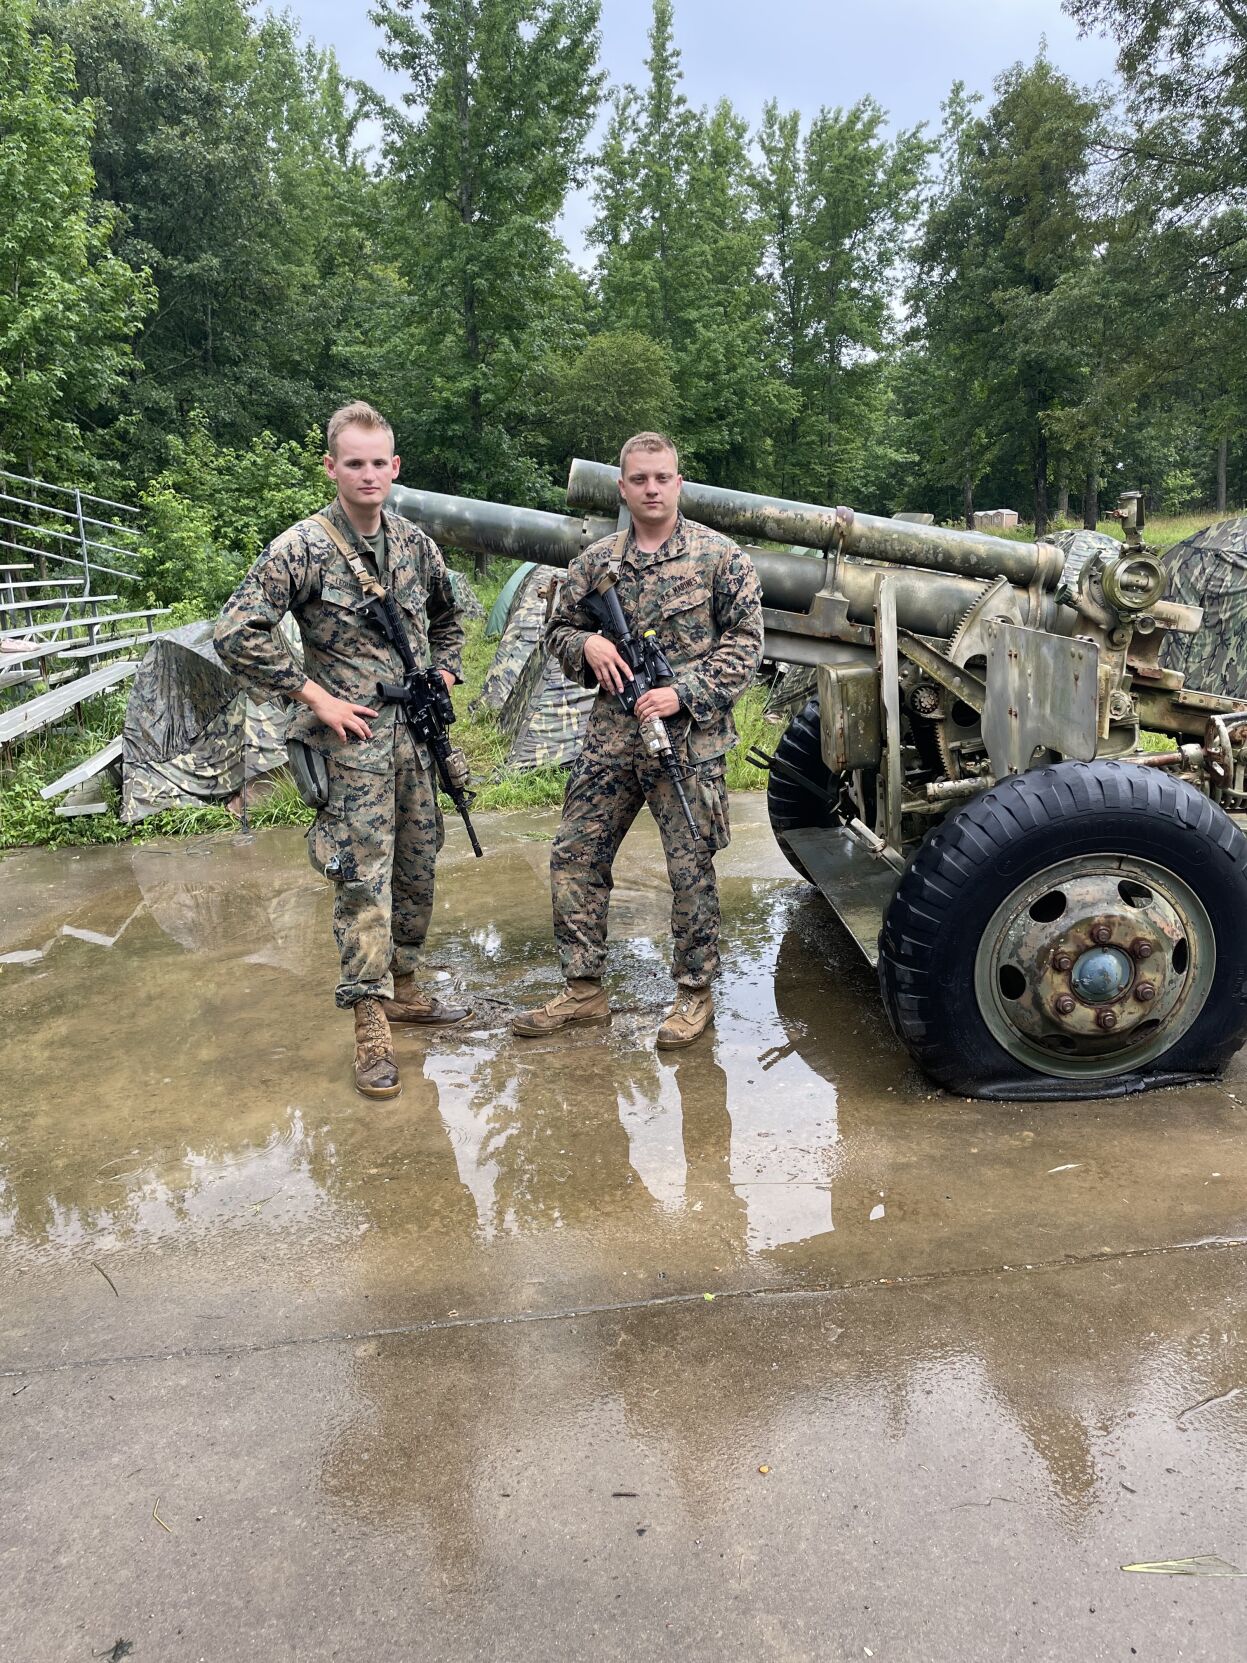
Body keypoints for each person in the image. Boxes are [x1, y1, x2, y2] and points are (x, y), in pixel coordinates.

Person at [215, 400, 471, 1100]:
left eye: (377, 461)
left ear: (395, 466)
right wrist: (312, 694)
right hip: (351, 743)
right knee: (362, 880)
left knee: (419, 865)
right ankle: (370, 1024)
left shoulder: (416, 544)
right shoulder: (303, 546)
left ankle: (406, 985)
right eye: (352, 462)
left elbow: (451, 615)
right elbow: (236, 629)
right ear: (331, 467)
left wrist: (444, 671)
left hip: (415, 737)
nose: (367, 474)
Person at [512, 431, 763, 1049]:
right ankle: (583, 990)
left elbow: (746, 645)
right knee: (575, 856)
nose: (652, 489)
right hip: (612, 739)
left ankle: (694, 994)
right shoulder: (595, 563)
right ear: (622, 487)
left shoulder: (720, 558)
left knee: (691, 870)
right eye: (639, 479)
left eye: (663, 478)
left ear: (679, 483)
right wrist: (587, 645)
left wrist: (685, 692)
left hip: (687, 744)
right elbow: (559, 633)